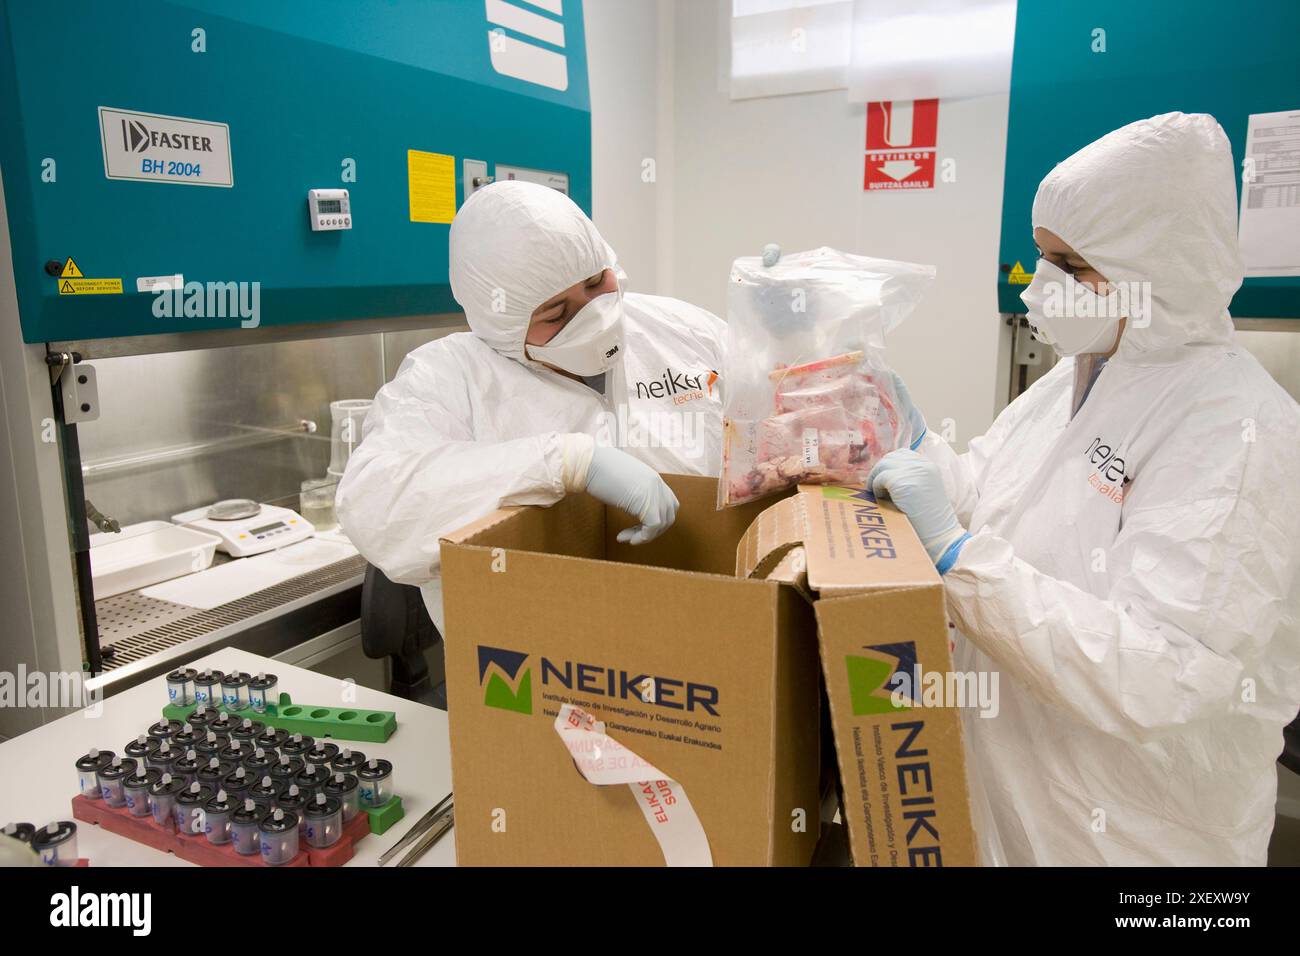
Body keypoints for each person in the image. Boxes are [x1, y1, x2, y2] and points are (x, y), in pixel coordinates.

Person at [869, 112, 1300, 866]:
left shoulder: (1239, 434)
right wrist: (918, 448)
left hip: (1138, 835)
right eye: (1042, 257)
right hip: (1018, 788)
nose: (1041, 286)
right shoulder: (1082, 374)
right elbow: (993, 494)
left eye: (1070, 264)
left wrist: (957, 557)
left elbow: (1159, 673)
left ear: (1156, 266)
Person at [336, 181, 725, 634]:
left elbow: (777, 424)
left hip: (704, 628)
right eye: (556, 314)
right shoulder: (449, 377)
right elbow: (377, 506)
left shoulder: (681, 330)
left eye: (596, 282)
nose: (593, 314)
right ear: (501, 323)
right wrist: (567, 461)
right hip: (538, 661)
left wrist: (784, 334)